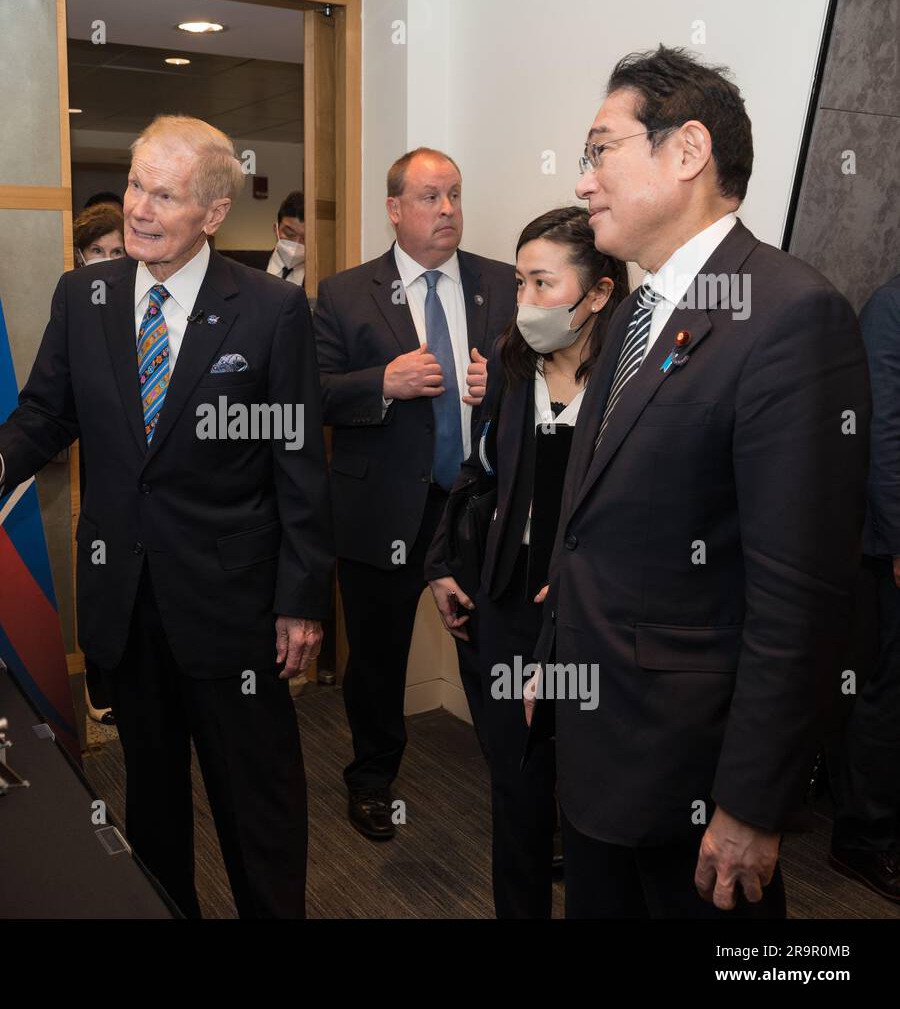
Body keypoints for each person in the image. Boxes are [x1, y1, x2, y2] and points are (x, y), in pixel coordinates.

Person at [0, 115, 333, 919]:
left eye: (165, 194)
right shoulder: (83, 295)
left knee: (255, 803)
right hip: (126, 599)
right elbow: (44, 413)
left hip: (235, 610)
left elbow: (299, 465)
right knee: (151, 801)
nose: (139, 209)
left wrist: (302, 596)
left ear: (215, 213)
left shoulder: (269, 311)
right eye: (134, 185)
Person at [532, 45, 870, 918]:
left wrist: (753, 801)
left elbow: (800, 596)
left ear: (686, 153)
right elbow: (587, 519)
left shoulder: (791, 316)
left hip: (694, 776)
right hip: (602, 750)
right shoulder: (642, 308)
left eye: (600, 150)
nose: (583, 179)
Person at [425, 206, 628, 917]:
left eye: (543, 283)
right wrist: (445, 563)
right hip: (507, 612)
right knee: (515, 798)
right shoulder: (513, 371)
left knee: (591, 808)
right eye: (518, 283)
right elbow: (477, 476)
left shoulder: (633, 388)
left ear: (599, 291)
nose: (525, 302)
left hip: (589, 624)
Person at [312, 147, 515, 840]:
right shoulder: (343, 293)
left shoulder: (506, 283)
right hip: (382, 511)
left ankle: (519, 788)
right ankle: (371, 779)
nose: (448, 210)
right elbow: (309, 395)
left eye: (455, 194)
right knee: (375, 658)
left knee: (492, 652)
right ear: (395, 208)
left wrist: (509, 389)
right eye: (431, 197)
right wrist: (381, 384)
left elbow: (558, 381)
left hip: (476, 508)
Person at [828, 272, 900, 902]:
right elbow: (884, 437)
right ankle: (862, 838)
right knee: (885, 691)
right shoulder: (892, 307)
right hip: (887, 547)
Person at [69, 201, 126, 726]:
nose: (107, 261)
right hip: (97, 472)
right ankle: (99, 679)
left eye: (117, 251)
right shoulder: (74, 304)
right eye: (96, 252)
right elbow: (50, 405)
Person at [268, 190, 305, 286]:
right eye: (289, 234)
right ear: (276, 229)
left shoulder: (321, 278)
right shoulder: (248, 268)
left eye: (304, 239)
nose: (296, 243)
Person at [73, 202, 126, 268]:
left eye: (117, 252)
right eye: (97, 251)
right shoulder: (66, 278)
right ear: (78, 255)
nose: (108, 260)